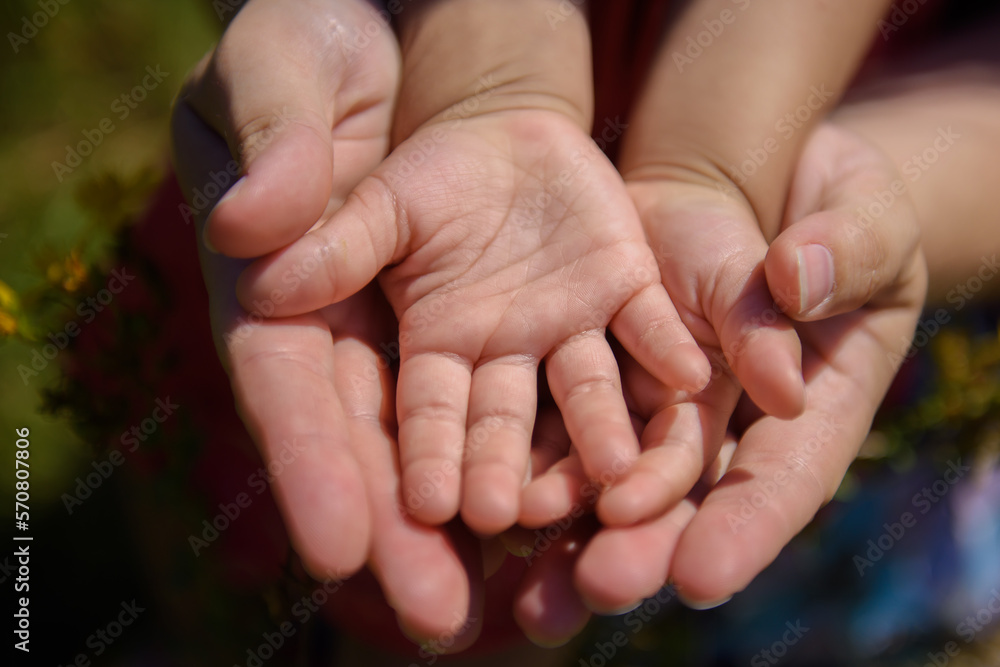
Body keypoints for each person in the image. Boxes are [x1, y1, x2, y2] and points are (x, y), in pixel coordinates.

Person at [170, 0, 998, 656]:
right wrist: (486, 79)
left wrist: (754, 180)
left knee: (519, 560)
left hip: (869, 148)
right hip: (405, 163)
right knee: (265, 487)